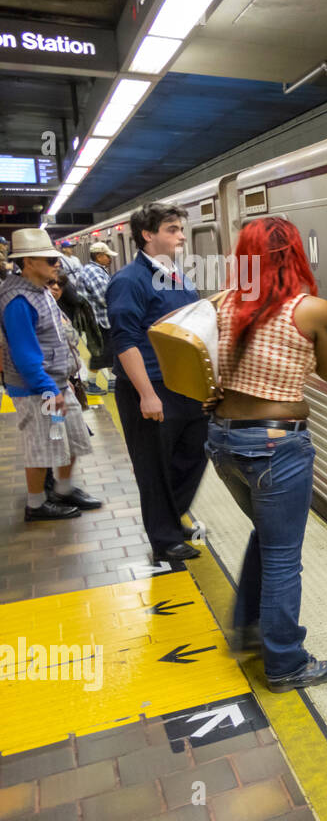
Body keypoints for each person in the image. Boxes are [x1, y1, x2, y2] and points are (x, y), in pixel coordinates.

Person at [207, 216, 327, 692]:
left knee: (268, 537)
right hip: (276, 445)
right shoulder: (311, 311)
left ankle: (248, 627)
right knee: (284, 554)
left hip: (223, 441)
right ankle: (286, 663)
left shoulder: (224, 304)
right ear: (293, 255)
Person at [107, 202, 207, 563]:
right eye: (172, 230)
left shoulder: (174, 274)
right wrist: (147, 395)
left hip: (184, 386)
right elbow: (125, 340)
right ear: (148, 236)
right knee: (155, 465)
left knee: (194, 453)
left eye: (181, 229)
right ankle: (164, 539)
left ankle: (170, 516)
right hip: (149, 387)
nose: (181, 236)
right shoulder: (129, 281)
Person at [0, 228, 101, 521]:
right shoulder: (18, 301)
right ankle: (36, 505)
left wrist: (63, 378)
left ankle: (64, 489)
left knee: (67, 436)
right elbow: (25, 355)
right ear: (28, 261)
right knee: (43, 444)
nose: (56, 263)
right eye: (48, 259)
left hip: (57, 384)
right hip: (38, 391)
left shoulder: (40, 288)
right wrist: (48, 388)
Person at [80, 241, 117, 393]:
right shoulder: (94, 272)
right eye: (107, 256)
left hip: (99, 320)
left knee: (109, 351)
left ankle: (112, 382)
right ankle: (91, 383)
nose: (110, 259)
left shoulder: (94, 269)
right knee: (100, 354)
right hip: (99, 321)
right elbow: (104, 297)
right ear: (99, 256)